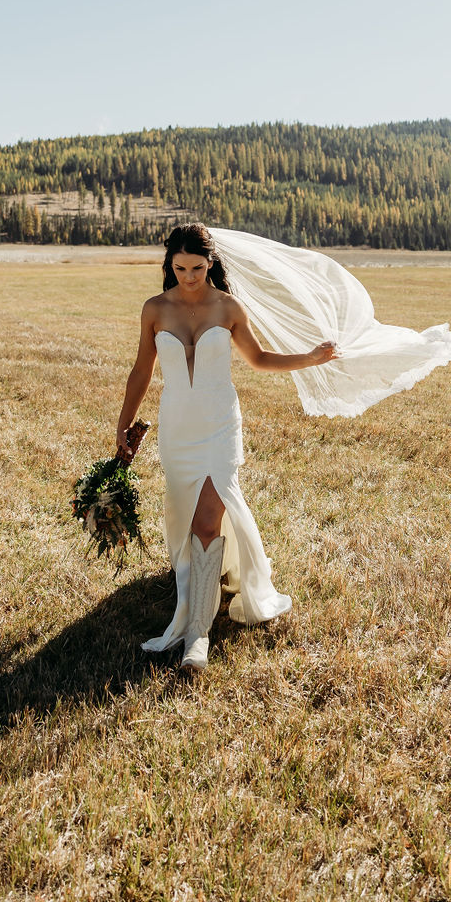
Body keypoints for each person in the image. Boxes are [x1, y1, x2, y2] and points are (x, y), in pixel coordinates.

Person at [116, 222, 337, 671]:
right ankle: (201, 589)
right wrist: (122, 425)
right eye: (179, 268)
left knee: (207, 519)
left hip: (219, 425)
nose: (189, 277)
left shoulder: (228, 306)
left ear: (211, 263)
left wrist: (310, 358)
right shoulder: (154, 309)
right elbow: (141, 371)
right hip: (177, 428)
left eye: (197, 268)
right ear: (169, 265)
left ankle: (198, 636)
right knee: (185, 519)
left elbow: (258, 360)